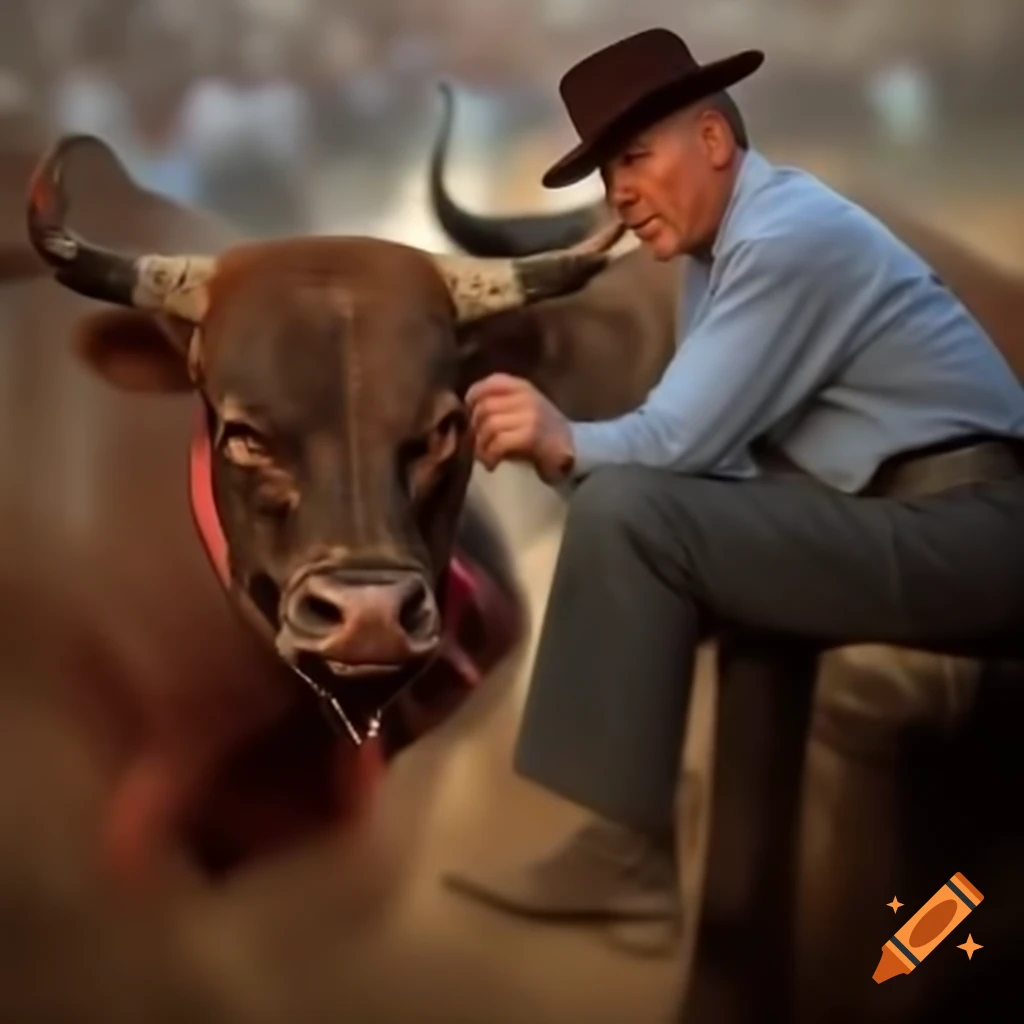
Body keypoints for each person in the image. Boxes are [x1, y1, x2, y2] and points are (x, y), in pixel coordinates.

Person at [443, 28, 1024, 933]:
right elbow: (716, 472)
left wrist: (560, 438)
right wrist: (571, 456)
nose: (620, 194)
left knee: (640, 506)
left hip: (975, 528)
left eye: (633, 158)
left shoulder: (787, 237)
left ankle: (625, 850)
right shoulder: (718, 262)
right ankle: (727, 934)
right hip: (893, 521)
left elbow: (677, 444)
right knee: (719, 582)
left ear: (713, 141)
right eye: (607, 176)